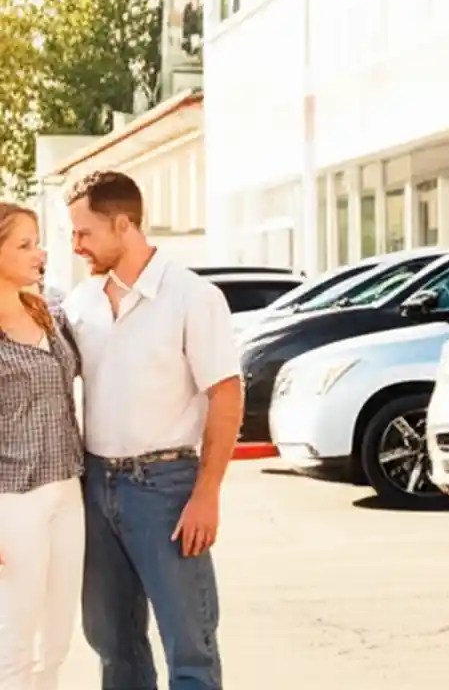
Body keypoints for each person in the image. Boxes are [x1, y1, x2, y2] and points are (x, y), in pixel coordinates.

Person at [61, 170, 243, 690]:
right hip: (95, 488)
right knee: (113, 646)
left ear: (123, 225)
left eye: (84, 233)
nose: (76, 246)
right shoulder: (81, 304)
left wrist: (207, 494)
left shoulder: (191, 296)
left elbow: (226, 394)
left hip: (165, 489)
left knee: (190, 648)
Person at [0, 202, 85, 690]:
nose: (40, 252)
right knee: (15, 641)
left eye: (38, 241)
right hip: (14, 501)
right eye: (24, 244)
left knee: (56, 638)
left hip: (66, 491)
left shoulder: (48, 311)